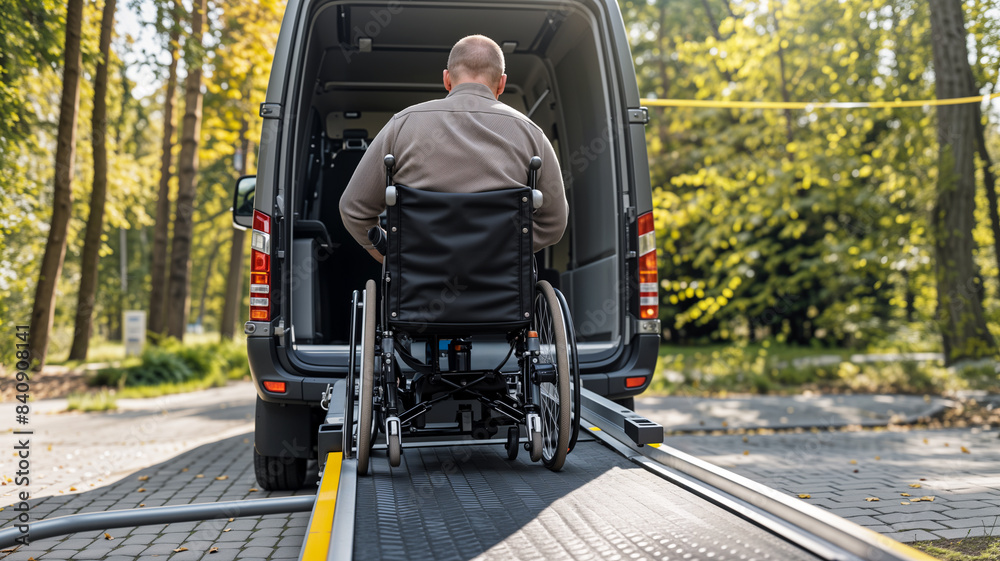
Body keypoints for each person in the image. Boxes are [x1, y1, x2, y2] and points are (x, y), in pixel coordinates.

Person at [339, 34, 568, 263]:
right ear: (502, 83)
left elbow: (354, 209)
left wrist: (392, 253)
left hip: (417, 284)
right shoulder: (531, 134)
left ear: (447, 79)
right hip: (502, 287)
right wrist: (503, 248)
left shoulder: (403, 125)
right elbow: (554, 224)